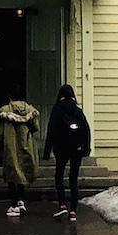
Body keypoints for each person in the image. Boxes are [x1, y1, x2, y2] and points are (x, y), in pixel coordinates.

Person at [43, 83, 91, 221]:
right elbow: (86, 130)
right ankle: (73, 211)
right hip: (77, 149)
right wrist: (86, 149)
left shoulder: (57, 110)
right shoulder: (78, 111)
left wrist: (47, 152)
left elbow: (51, 131)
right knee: (73, 179)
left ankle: (62, 205)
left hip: (61, 149)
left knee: (59, 176)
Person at [0, 89, 39, 217]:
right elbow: (36, 127)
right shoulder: (30, 110)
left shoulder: (5, 112)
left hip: (11, 146)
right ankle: (21, 201)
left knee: (12, 175)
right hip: (25, 145)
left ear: (10, 97)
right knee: (22, 174)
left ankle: (13, 204)